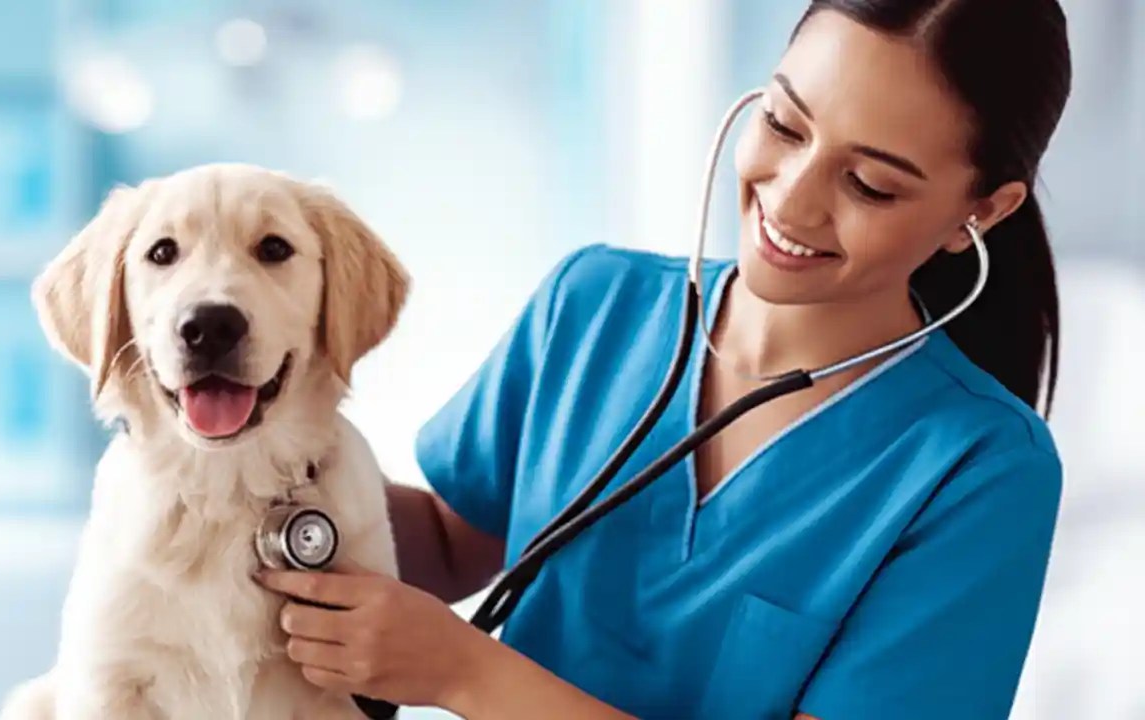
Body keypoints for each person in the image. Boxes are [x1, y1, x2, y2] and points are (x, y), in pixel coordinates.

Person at [257, 0, 1073, 717]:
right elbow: (442, 543)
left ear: (983, 210)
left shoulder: (982, 473)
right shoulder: (593, 302)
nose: (791, 198)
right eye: (785, 124)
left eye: (868, 184)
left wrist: (463, 673)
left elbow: (451, 657)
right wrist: (267, 470)